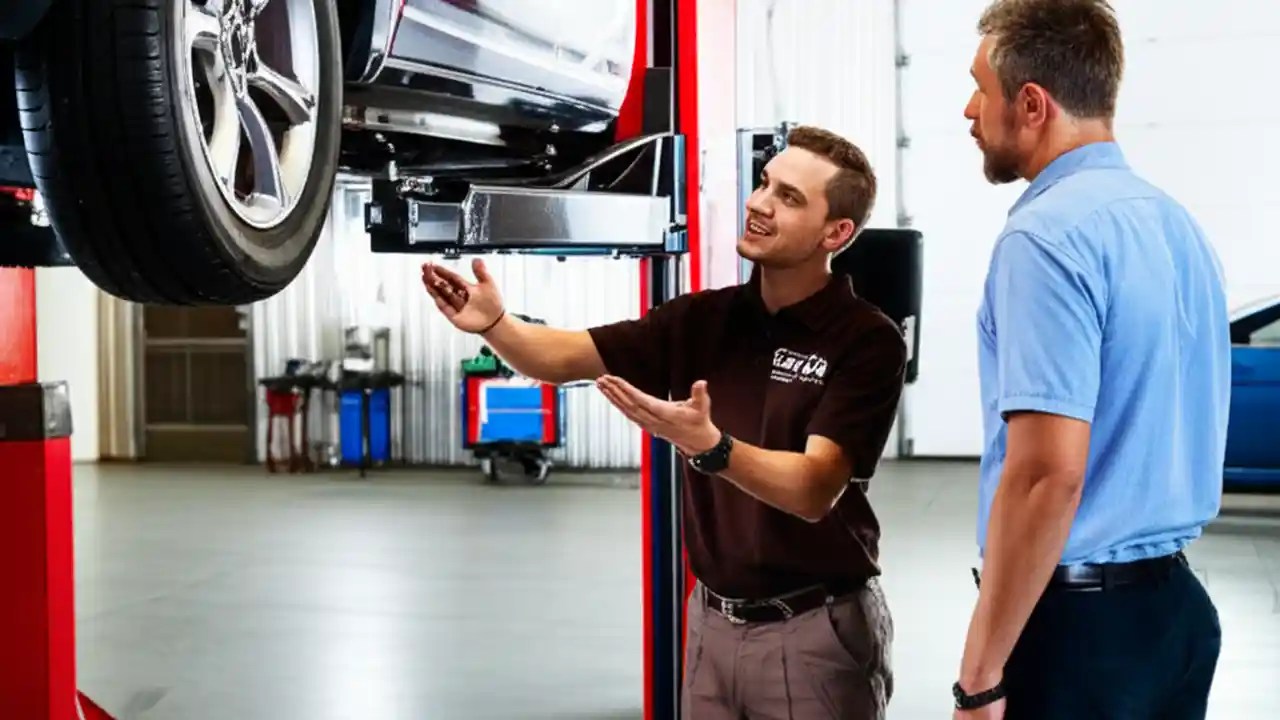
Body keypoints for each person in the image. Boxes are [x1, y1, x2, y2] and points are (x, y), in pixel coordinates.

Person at [421, 125, 907, 719]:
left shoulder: (867, 340)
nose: (758, 204)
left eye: (789, 198)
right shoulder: (703, 319)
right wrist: (496, 324)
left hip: (813, 630)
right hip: (711, 625)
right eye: (763, 185)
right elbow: (562, 356)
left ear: (837, 233)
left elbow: (814, 488)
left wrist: (711, 447)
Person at [952, 1, 1228, 718]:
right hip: (1175, 615)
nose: (969, 108)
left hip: (1077, 632)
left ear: (1033, 104)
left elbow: (1047, 473)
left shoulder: (1044, 239)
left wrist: (979, 675)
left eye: (982, 86)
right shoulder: (1175, 223)